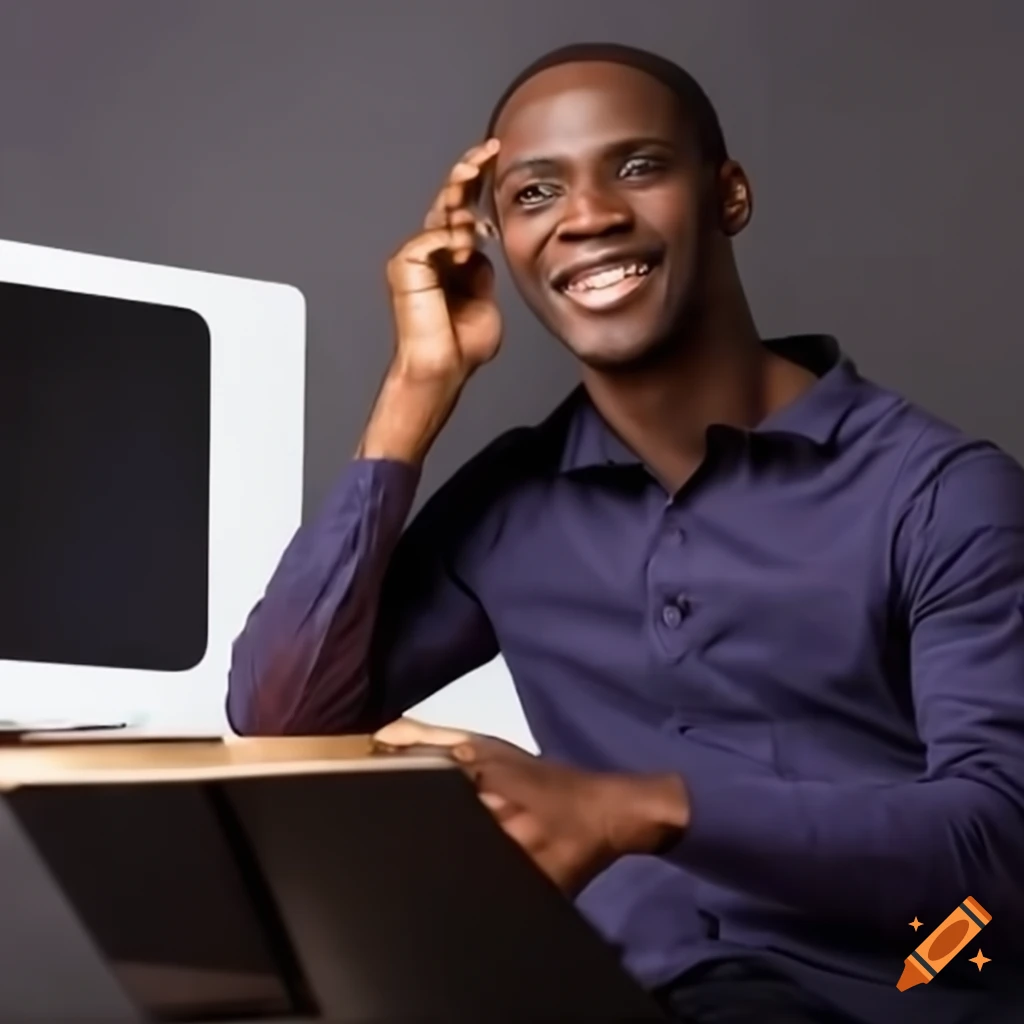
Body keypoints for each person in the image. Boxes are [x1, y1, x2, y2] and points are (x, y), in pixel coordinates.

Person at [227, 43, 1024, 1024]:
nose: (587, 216)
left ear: (726, 194)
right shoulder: (514, 501)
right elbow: (284, 719)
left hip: (908, 986)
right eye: (532, 194)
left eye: (637, 167)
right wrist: (415, 388)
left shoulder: (939, 492)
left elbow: (999, 845)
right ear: (494, 242)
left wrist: (631, 807)